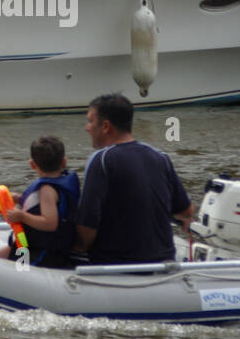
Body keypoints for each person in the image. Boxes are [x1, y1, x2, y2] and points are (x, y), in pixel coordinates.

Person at [73, 94, 193, 265]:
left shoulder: (101, 160)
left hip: (118, 266)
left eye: (90, 121)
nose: (87, 128)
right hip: (163, 262)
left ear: (106, 126)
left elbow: (87, 225)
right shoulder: (161, 157)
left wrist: (76, 245)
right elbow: (186, 212)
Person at [0, 135, 82, 268]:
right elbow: (44, 206)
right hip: (44, 246)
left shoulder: (47, 190)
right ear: (64, 161)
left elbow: (50, 223)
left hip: (44, 252)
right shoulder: (57, 184)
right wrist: (20, 199)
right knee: (0, 255)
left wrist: (22, 216)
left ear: (32, 164)